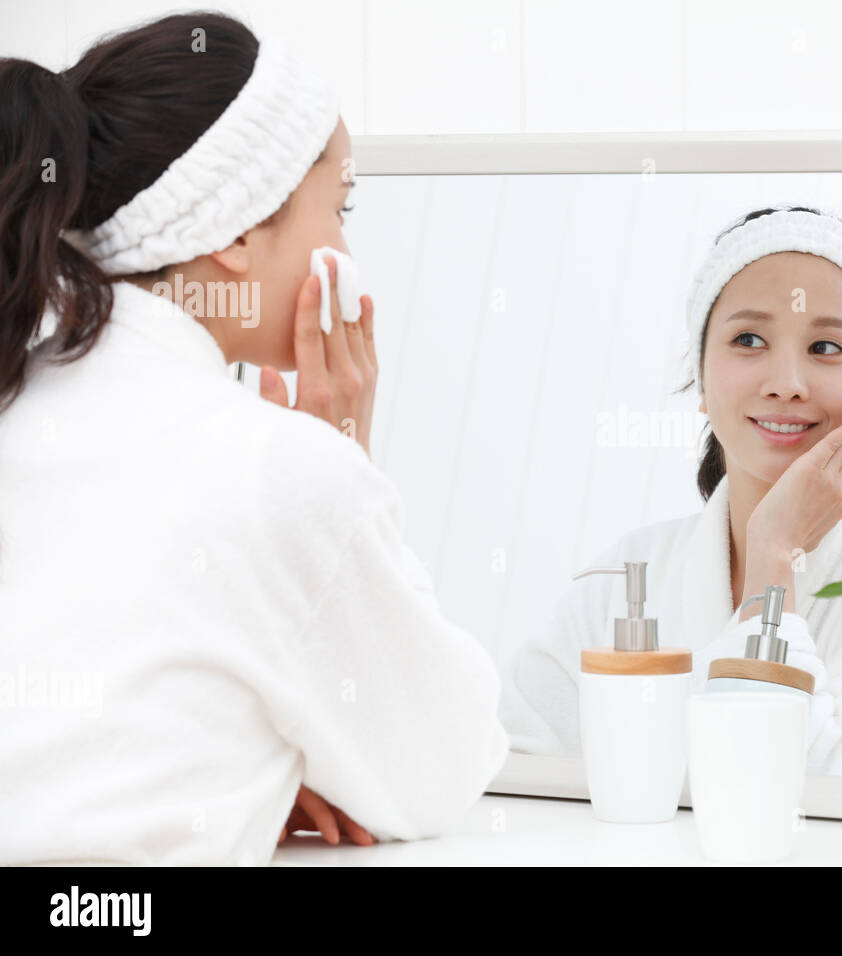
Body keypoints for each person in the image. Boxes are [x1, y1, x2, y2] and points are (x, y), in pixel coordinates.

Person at [0, 12, 507, 864]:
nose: (346, 245)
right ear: (235, 232)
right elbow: (444, 767)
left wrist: (257, 762)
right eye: (338, 208)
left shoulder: (18, 399)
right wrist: (344, 457)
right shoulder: (279, 468)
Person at [500, 205, 842, 779]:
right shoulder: (623, 579)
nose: (787, 385)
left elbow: (835, 800)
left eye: (825, 347)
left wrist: (774, 560)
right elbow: (520, 773)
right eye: (749, 339)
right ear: (700, 378)